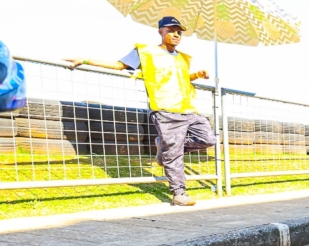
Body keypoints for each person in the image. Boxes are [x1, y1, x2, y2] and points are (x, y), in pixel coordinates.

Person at [65, 16, 215, 206]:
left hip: (188, 108)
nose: (176, 34)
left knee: (208, 139)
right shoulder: (145, 52)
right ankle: (179, 193)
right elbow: (118, 65)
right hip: (165, 109)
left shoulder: (183, 58)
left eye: (179, 31)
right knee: (174, 152)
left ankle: (165, 147)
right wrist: (86, 60)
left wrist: (197, 75)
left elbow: (180, 79)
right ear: (160, 31)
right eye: (170, 30)